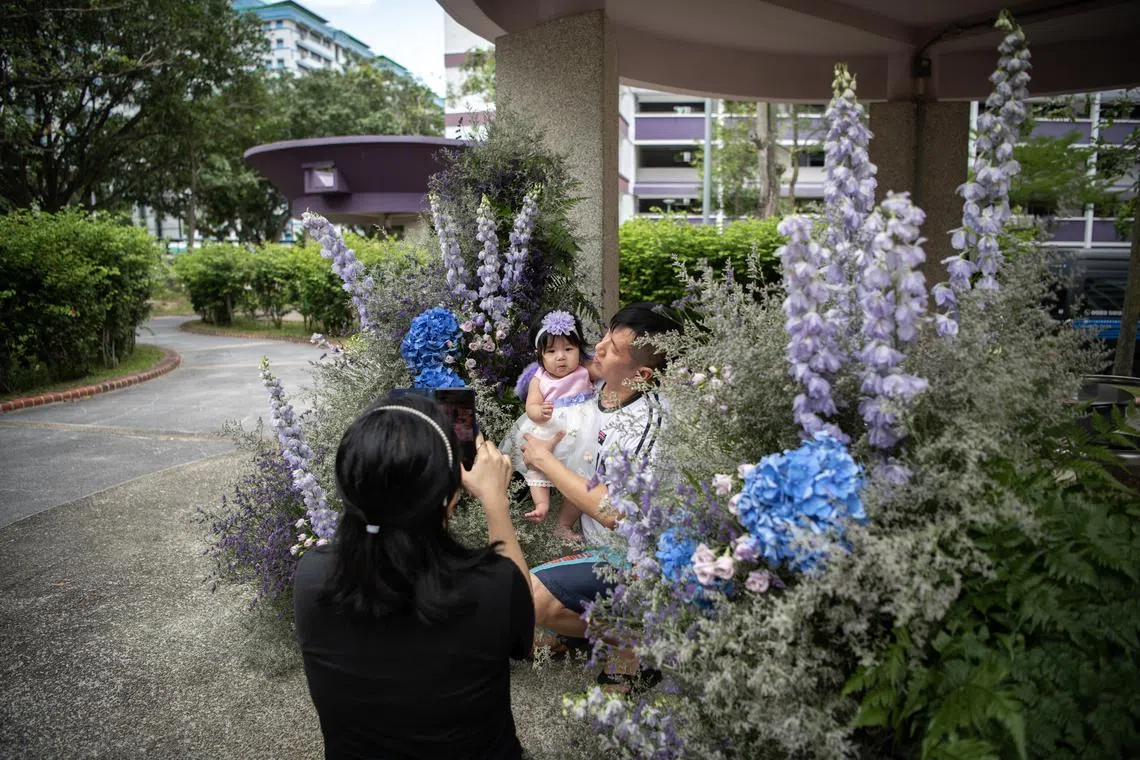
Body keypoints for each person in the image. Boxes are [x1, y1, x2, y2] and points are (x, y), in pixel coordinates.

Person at [293, 393, 532, 760]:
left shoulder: (312, 578)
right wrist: (495, 502)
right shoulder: (493, 587)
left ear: (347, 487)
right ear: (450, 499)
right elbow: (523, 634)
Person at [521, 303, 680, 656]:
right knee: (509, 623)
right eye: (607, 334)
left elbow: (614, 513)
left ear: (642, 375)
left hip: (632, 561)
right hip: (593, 549)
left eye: (614, 348)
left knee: (525, 597)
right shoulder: (595, 390)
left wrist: (546, 461)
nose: (601, 347)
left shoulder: (649, 423)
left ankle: (646, 643)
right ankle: (596, 634)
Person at [502, 309, 597, 541]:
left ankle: (563, 524)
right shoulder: (540, 378)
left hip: (583, 431)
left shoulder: (585, 370)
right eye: (551, 351)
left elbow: (609, 370)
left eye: (568, 349)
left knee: (581, 479)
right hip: (550, 427)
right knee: (537, 469)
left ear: (580, 350)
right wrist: (539, 413)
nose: (561, 357)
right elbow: (531, 405)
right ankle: (541, 504)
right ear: (541, 356)